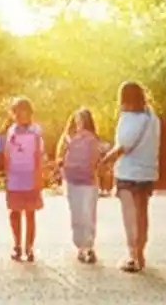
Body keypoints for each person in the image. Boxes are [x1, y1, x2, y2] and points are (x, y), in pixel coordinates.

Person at [105, 81, 160, 273]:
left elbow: (124, 145)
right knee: (142, 214)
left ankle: (132, 256)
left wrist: (104, 160)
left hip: (129, 173)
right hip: (147, 172)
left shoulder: (130, 118)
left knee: (130, 215)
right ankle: (141, 253)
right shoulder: (152, 117)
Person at [57, 107, 106, 264]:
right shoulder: (71, 137)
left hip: (86, 181)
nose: (79, 124)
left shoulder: (89, 139)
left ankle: (88, 247)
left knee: (86, 214)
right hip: (75, 180)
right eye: (77, 121)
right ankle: (81, 247)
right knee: (79, 213)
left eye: (81, 121)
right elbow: (60, 156)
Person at [2, 96, 44, 262]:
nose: (20, 116)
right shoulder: (11, 131)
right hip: (14, 177)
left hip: (30, 175)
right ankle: (17, 245)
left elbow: (39, 154)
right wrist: (6, 174)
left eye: (24, 112)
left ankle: (29, 246)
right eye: (17, 112)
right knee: (14, 211)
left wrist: (39, 176)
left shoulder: (36, 131)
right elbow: (7, 153)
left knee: (30, 212)